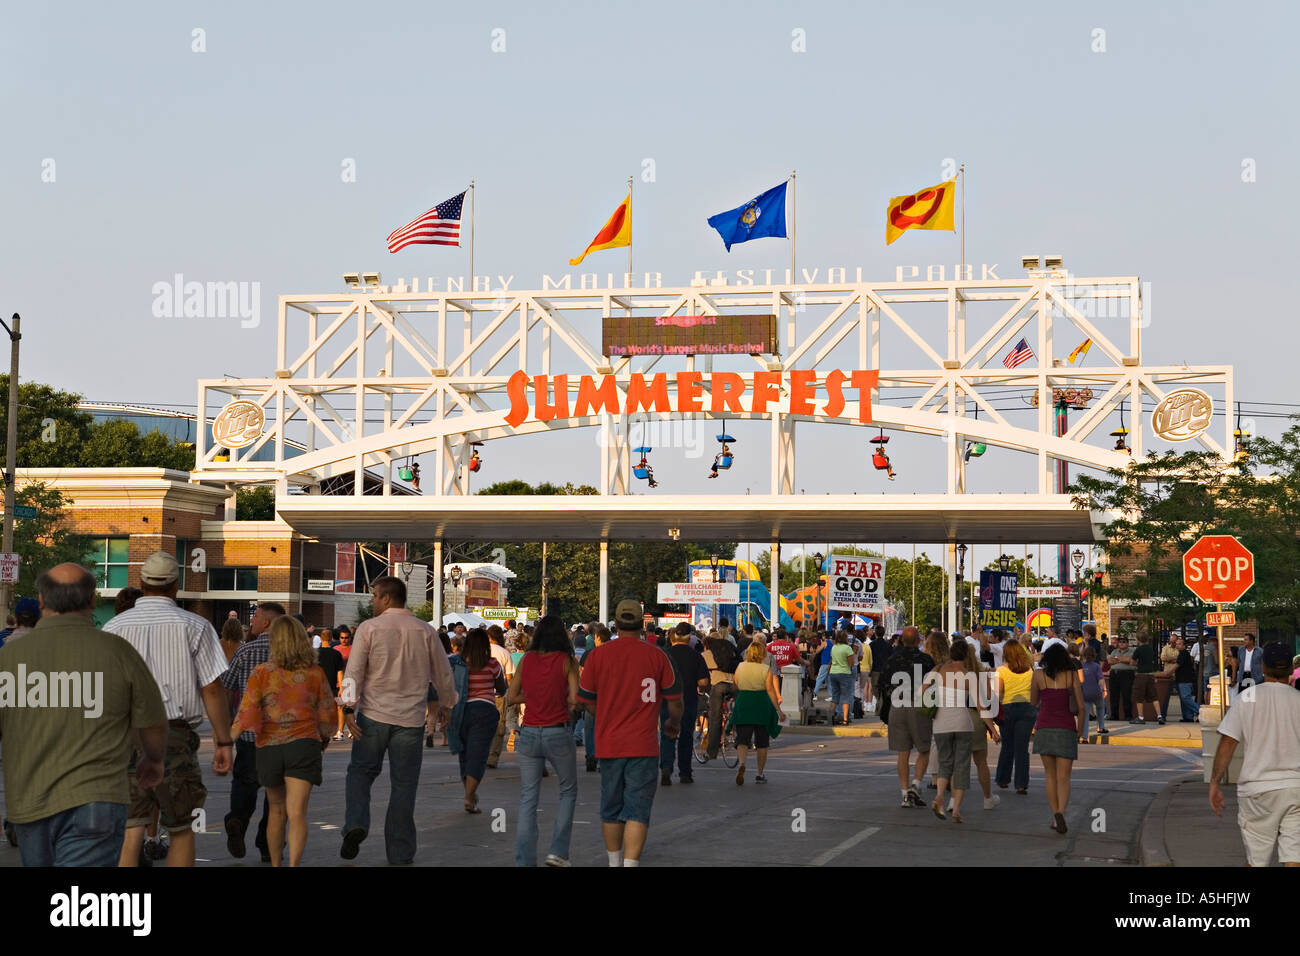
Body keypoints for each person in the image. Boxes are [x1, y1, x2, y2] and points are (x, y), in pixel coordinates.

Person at [0, 564, 168, 867]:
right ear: (92, 600)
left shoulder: (8, 659)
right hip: (97, 797)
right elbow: (153, 720)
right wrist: (153, 759)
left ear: (41, 600)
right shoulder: (117, 652)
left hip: (28, 799)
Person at [102, 552, 234, 867]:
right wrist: (223, 740)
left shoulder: (113, 627)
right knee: (180, 827)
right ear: (175, 585)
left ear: (141, 583)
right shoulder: (196, 626)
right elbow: (212, 688)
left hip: (125, 735)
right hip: (173, 735)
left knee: (131, 826)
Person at [339, 576, 457, 864]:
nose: (372, 602)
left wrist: (348, 707)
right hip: (411, 720)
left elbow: (353, 671)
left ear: (387, 598)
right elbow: (443, 671)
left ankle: (356, 822)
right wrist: (446, 703)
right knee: (403, 786)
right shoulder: (425, 631)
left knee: (360, 774)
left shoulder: (369, 629)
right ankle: (400, 852)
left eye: (375, 597)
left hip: (373, 716)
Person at [577, 599, 682, 867]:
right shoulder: (658, 656)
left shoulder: (598, 656)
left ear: (616, 622)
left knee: (610, 806)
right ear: (641, 623)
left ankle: (614, 862)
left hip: (609, 743)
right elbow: (675, 700)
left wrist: (604, 715)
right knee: (638, 808)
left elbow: (586, 700)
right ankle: (631, 863)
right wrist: (673, 722)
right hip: (644, 745)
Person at [229, 616, 336, 867]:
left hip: (269, 747)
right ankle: (293, 864)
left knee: (276, 810)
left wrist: (226, 743)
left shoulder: (262, 673)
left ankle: (276, 863)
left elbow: (246, 712)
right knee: (297, 813)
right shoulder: (314, 673)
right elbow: (327, 711)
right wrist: (324, 737)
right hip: (303, 744)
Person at [1209, 642, 1300, 867]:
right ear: (1290, 670)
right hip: (1296, 787)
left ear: (1263, 667)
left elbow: (1227, 743)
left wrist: (1214, 782)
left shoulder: (1248, 697)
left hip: (1258, 788)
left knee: (1257, 859)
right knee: (1293, 855)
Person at [506, 615, 580, 867]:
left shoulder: (526, 660)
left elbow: (511, 697)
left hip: (528, 733)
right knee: (568, 790)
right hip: (557, 731)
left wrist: (533, 697)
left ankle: (524, 860)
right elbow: (576, 699)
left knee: (529, 797)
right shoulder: (567, 662)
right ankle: (558, 851)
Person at [220, 601, 284, 862]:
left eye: (255, 616)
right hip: (283, 735)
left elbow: (227, 685)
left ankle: (237, 820)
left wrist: (224, 725)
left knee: (245, 784)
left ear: (267, 622)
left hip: (248, 733)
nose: (252, 621)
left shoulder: (245, 651)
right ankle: (268, 844)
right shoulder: (290, 653)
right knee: (276, 794)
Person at [930, 640, 999, 822]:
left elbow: (922, 691)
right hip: (964, 723)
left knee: (945, 764)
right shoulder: (970, 675)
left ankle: (939, 798)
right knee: (963, 766)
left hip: (941, 724)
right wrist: (993, 729)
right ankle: (956, 810)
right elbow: (981, 706)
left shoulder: (938, 671)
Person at [1032, 643, 1086, 834]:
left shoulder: (1038, 675)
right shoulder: (1071, 676)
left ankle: (1055, 813)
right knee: (1064, 777)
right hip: (1066, 727)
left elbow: (1033, 702)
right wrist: (1079, 731)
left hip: (1045, 727)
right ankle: (1061, 813)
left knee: (1050, 776)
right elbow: (1081, 707)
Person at [881, 626, 936, 808]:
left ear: (902, 640)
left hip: (897, 705)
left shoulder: (892, 659)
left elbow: (882, 684)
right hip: (918, 705)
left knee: (902, 752)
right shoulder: (926, 660)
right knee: (924, 748)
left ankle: (905, 793)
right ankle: (916, 783)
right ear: (919, 641)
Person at [454, 628, 506, 813]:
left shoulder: (459, 663)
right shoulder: (492, 663)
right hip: (484, 711)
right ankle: (469, 796)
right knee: (479, 754)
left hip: (461, 712)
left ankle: (469, 793)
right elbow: (502, 688)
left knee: (465, 753)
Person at [730, 640, 785, 785]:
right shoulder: (765, 669)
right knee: (762, 742)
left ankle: (742, 763)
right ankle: (760, 774)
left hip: (744, 703)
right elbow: (770, 690)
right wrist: (778, 710)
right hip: (761, 705)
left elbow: (735, 685)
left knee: (742, 739)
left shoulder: (740, 667)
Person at [661, 626, 708, 785]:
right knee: (686, 736)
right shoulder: (695, 656)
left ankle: (666, 767)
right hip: (688, 700)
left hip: (666, 701)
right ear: (689, 638)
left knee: (667, 735)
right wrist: (701, 689)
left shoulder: (664, 655)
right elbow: (703, 681)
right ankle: (685, 772)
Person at [995, 639, 1036, 794]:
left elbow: (997, 693)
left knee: (1007, 745)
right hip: (1027, 709)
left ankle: (1003, 779)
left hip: (1008, 708)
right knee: (1022, 748)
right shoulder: (1030, 670)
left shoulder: (1001, 671)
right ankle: (1021, 784)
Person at [701, 628, 738, 760]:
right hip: (734, 685)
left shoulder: (706, 655)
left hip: (718, 686)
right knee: (738, 712)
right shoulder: (729, 651)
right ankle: (742, 740)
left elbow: (702, 676)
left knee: (715, 718)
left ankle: (712, 752)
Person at [486, 625, 513, 769]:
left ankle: (482, 753)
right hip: (499, 694)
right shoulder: (504, 653)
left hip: (483, 693)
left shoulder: (482, 651)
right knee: (499, 725)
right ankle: (493, 756)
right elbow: (509, 678)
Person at [1129, 631, 1165, 725]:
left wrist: (1138, 664)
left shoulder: (1138, 650)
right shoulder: (1150, 649)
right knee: (1154, 696)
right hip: (1150, 675)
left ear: (1138, 640)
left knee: (1139, 697)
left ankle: (1141, 717)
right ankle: (1159, 716)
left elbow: (1132, 662)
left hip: (1141, 675)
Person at [1078, 645, 1108, 740]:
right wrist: (1104, 689)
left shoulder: (1080, 665)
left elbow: (1079, 680)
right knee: (1100, 707)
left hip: (1085, 693)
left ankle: (1085, 736)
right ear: (1094, 655)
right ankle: (1101, 727)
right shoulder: (1096, 666)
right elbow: (1101, 679)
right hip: (1096, 692)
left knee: (1085, 715)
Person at [828, 630, 856, 726]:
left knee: (835, 696)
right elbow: (851, 663)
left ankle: (831, 717)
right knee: (845, 696)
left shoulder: (834, 647)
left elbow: (831, 660)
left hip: (833, 672)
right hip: (844, 673)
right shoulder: (847, 648)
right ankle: (844, 719)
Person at [1107, 635, 1136, 721]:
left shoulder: (1132, 651)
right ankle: (1114, 715)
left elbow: (1131, 660)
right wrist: (1123, 659)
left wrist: (1118, 659)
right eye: (1120, 642)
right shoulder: (1115, 651)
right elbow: (1109, 661)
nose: (1121, 643)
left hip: (1127, 674)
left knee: (1126, 695)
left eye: (1124, 642)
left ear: (1127, 643)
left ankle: (1128, 715)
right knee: (1113, 695)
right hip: (1114, 674)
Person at [1172, 636, 1199, 722]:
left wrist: (1167, 672)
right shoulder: (1181, 654)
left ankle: (1200, 711)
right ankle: (1188, 717)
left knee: (1186, 698)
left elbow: (1177, 665)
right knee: (1184, 699)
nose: (1177, 646)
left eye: (1179, 644)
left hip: (1185, 680)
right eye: (1176, 644)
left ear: (1184, 646)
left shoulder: (1183, 653)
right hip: (1181, 679)